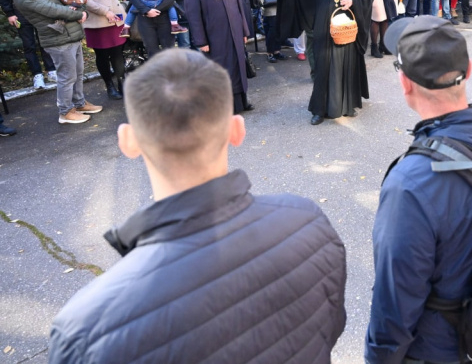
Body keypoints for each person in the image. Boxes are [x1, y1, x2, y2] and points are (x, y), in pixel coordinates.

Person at [48, 48, 346, 363]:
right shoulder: (309, 223)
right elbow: (329, 327)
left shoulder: (85, 331)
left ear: (128, 142)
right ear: (236, 130)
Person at [365, 16, 472, 364]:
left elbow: (395, 300)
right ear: (468, 70)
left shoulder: (411, 184)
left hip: (440, 348)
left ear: (404, 83)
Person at [250, 0, 374, 125]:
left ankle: (347, 105)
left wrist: (353, 1)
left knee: (344, 66)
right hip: (323, 32)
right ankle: (320, 109)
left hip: (346, 31)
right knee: (323, 68)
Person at [8, 0, 103, 124]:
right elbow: (53, 10)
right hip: (58, 38)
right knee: (67, 77)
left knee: (78, 73)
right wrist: (80, 14)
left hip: (70, 33)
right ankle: (65, 111)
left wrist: (82, 11)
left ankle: (79, 103)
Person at [186, 0, 253, 114]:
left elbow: (239, 6)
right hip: (214, 36)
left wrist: (244, 30)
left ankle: (242, 102)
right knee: (222, 70)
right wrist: (201, 41)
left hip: (235, 31)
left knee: (238, 66)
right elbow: (193, 15)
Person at [76, 0, 128, 100]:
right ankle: (109, 85)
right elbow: (85, 0)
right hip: (97, 20)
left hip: (116, 17)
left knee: (118, 53)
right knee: (102, 55)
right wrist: (105, 12)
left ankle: (121, 83)